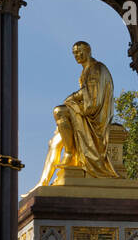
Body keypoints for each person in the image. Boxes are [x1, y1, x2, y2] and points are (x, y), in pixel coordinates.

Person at [37, 41, 120, 184]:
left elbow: (93, 97)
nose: (77, 55)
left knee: (59, 112)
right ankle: (42, 183)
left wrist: (72, 97)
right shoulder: (86, 70)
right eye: (74, 53)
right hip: (85, 112)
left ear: (88, 50)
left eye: (80, 51)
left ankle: (69, 154)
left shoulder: (96, 68)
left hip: (94, 116)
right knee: (54, 143)